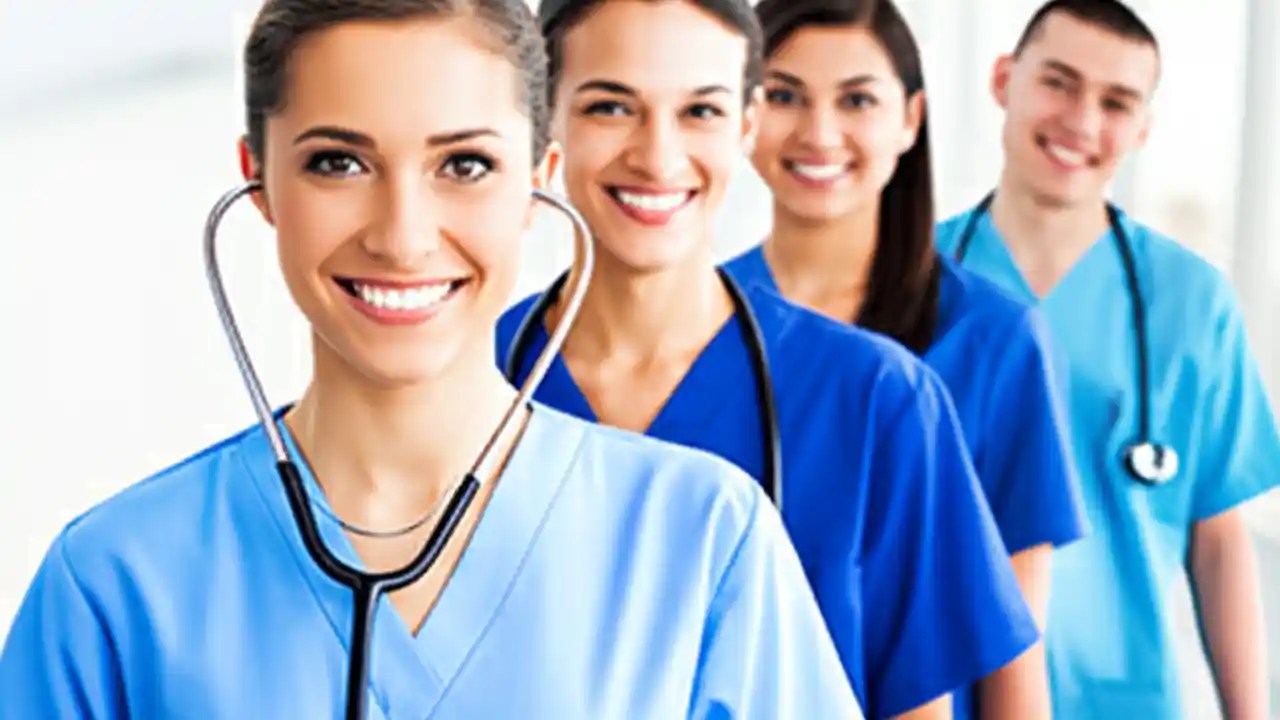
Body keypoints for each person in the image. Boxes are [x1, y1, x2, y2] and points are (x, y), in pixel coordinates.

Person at [0, 1, 868, 717]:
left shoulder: (702, 541)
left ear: (539, 178)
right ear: (258, 181)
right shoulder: (115, 584)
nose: (403, 237)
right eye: (339, 162)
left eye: (464, 163)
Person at [497, 1, 1039, 718]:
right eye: (610, 106)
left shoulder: (877, 400)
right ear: (545, 122)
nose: (658, 156)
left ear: (746, 125)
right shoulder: (473, 376)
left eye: (701, 112)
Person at [722, 1, 1091, 717]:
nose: (819, 132)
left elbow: (1014, 646)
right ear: (741, 115)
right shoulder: (695, 323)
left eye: (856, 99)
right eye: (784, 94)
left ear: (910, 120)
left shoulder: (994, 339)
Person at [934, 1, 1280, 718]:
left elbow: (1217, 539)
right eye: (1058, 83)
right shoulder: (911, 284)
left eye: (1116, 101)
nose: (1082, 121)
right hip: (942, 695)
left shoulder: (1191, 301)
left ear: (1144, 127)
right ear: (1004, 80)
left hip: (1125, 699)